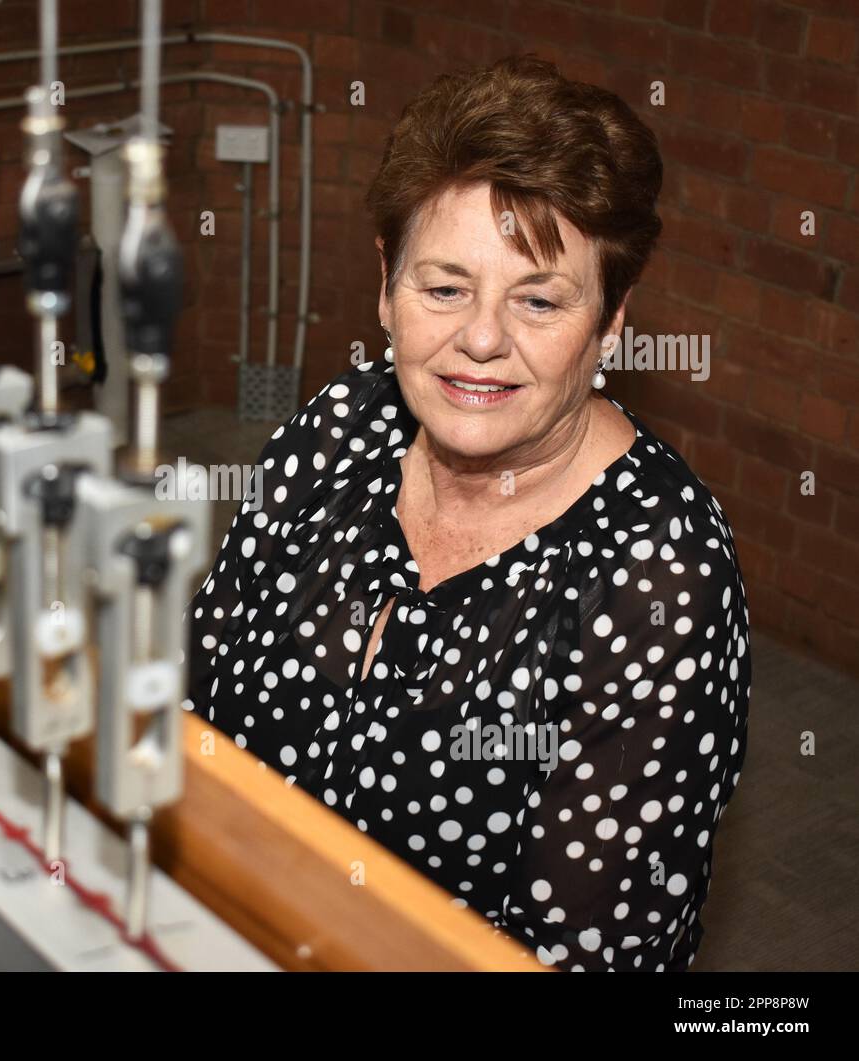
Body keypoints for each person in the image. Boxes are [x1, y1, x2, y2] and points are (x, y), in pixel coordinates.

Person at [184, 55, 750, 972]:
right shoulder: (341, 427)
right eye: (444, 287)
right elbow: (197, 707)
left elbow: (579, 953)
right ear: (385, 285)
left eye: (538, 299)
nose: (481, 339)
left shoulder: (657, 579)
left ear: (610, 323)